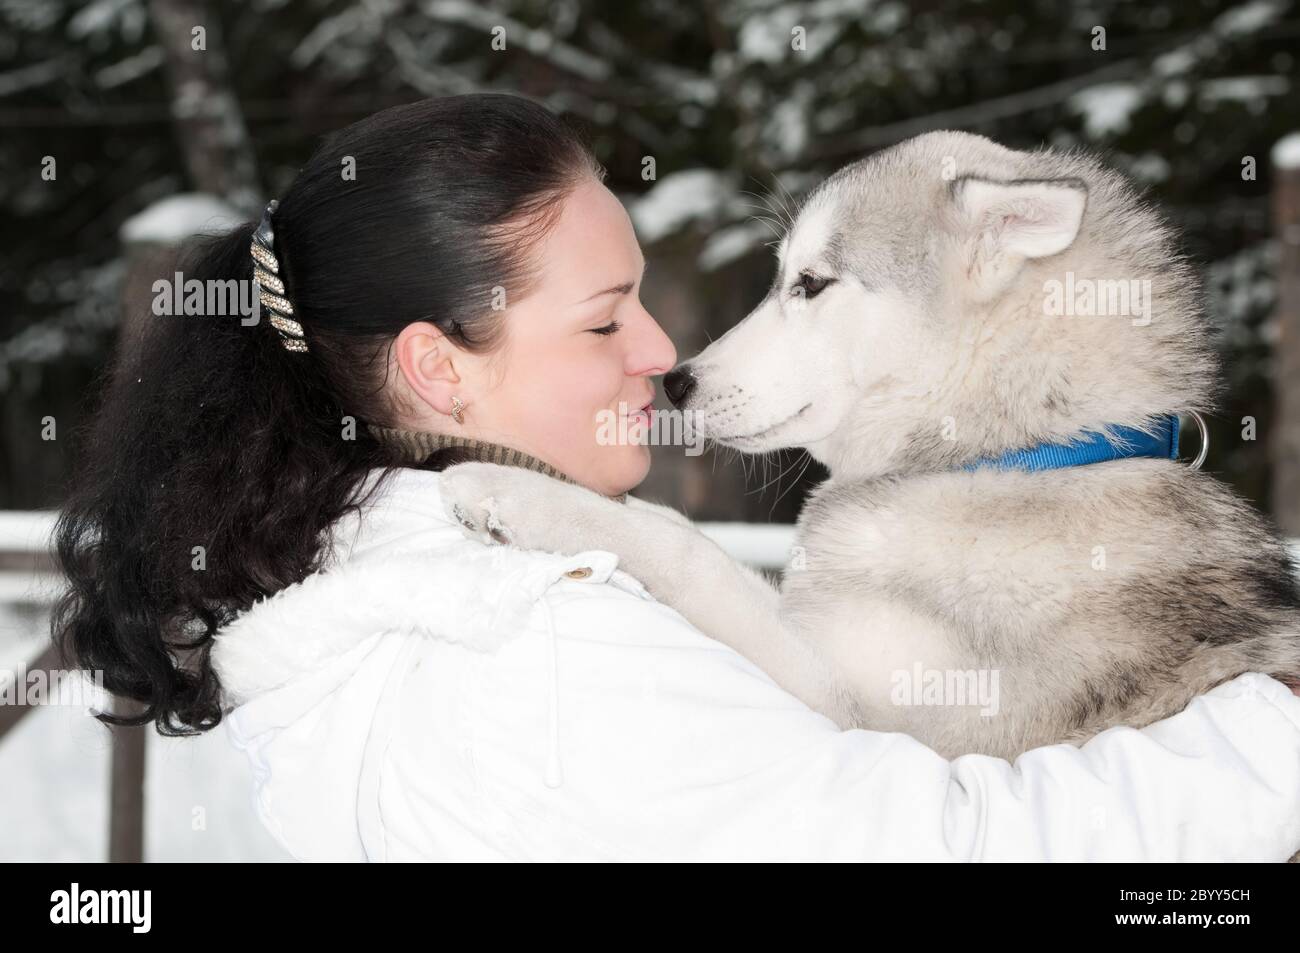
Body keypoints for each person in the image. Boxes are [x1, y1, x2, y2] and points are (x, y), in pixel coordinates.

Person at [53, 94, 1300, 861]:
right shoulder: (536, 654)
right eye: (605, 322)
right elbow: (956, 848)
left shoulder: (410, 588)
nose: (665, 353)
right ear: (438, 367)